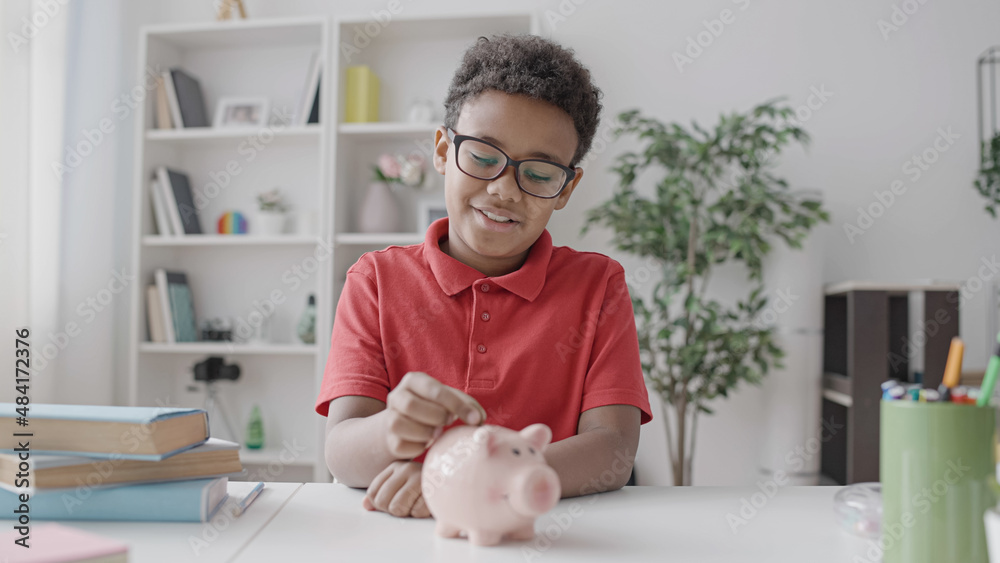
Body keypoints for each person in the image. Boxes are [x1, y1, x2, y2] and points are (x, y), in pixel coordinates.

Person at [316, 34, 652, 519]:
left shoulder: (598, 285)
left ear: (566, 188)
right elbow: (342, 450)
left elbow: (614, 450)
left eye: (538, 174)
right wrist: (392, 430)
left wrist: (468, 478)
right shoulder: (374, 279)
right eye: (482, 156)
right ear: (441, 150)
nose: (503, 190)